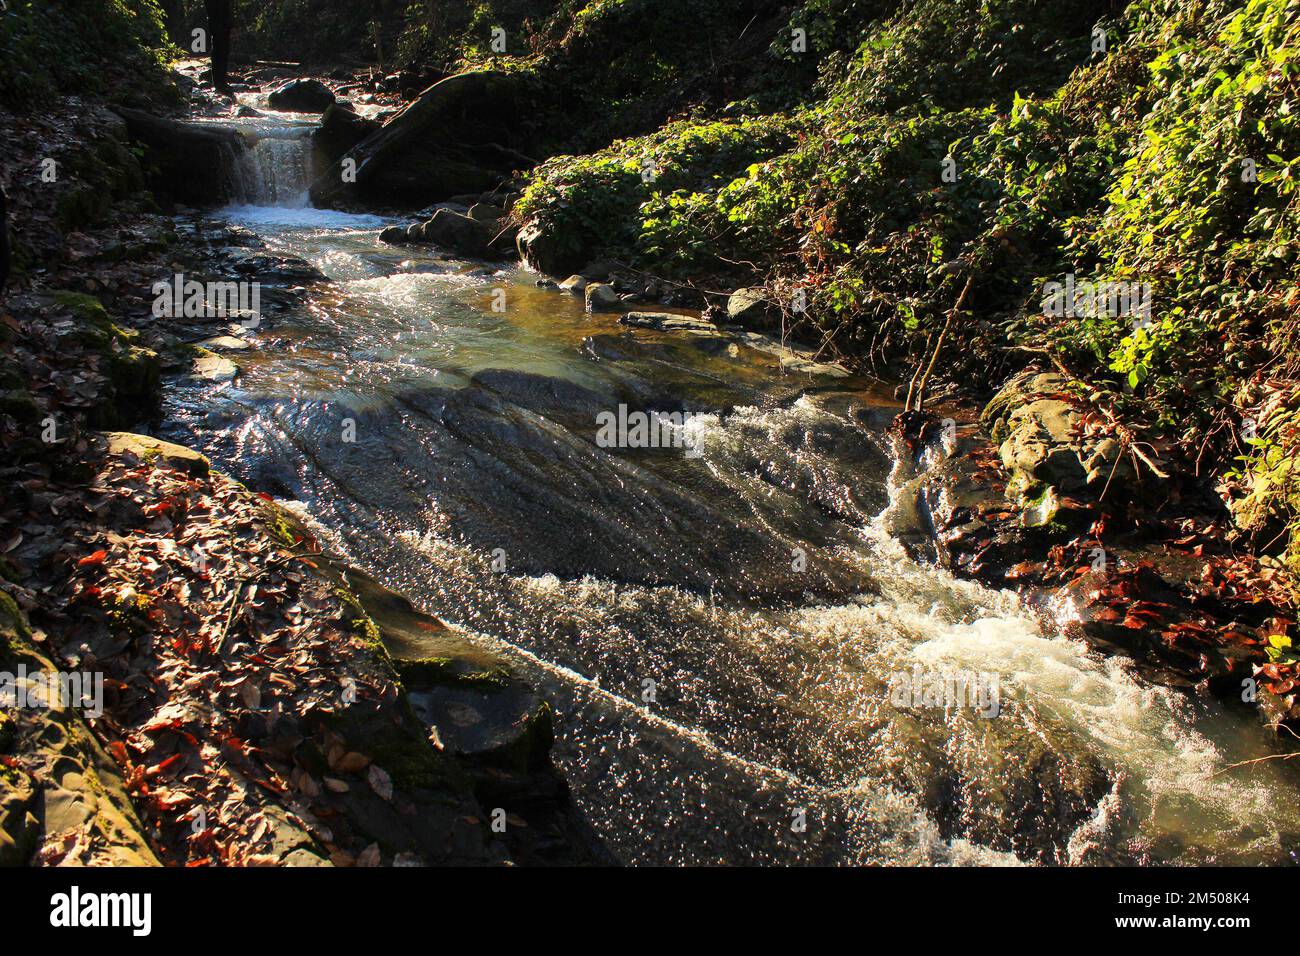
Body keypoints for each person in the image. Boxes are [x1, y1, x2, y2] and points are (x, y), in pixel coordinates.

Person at [204, 0, 233, 93]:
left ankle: (221, 81)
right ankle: (218, 82)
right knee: (218, 49)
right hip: (216, 23)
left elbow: (227, 8)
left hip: (223, 23)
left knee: (224, 49)